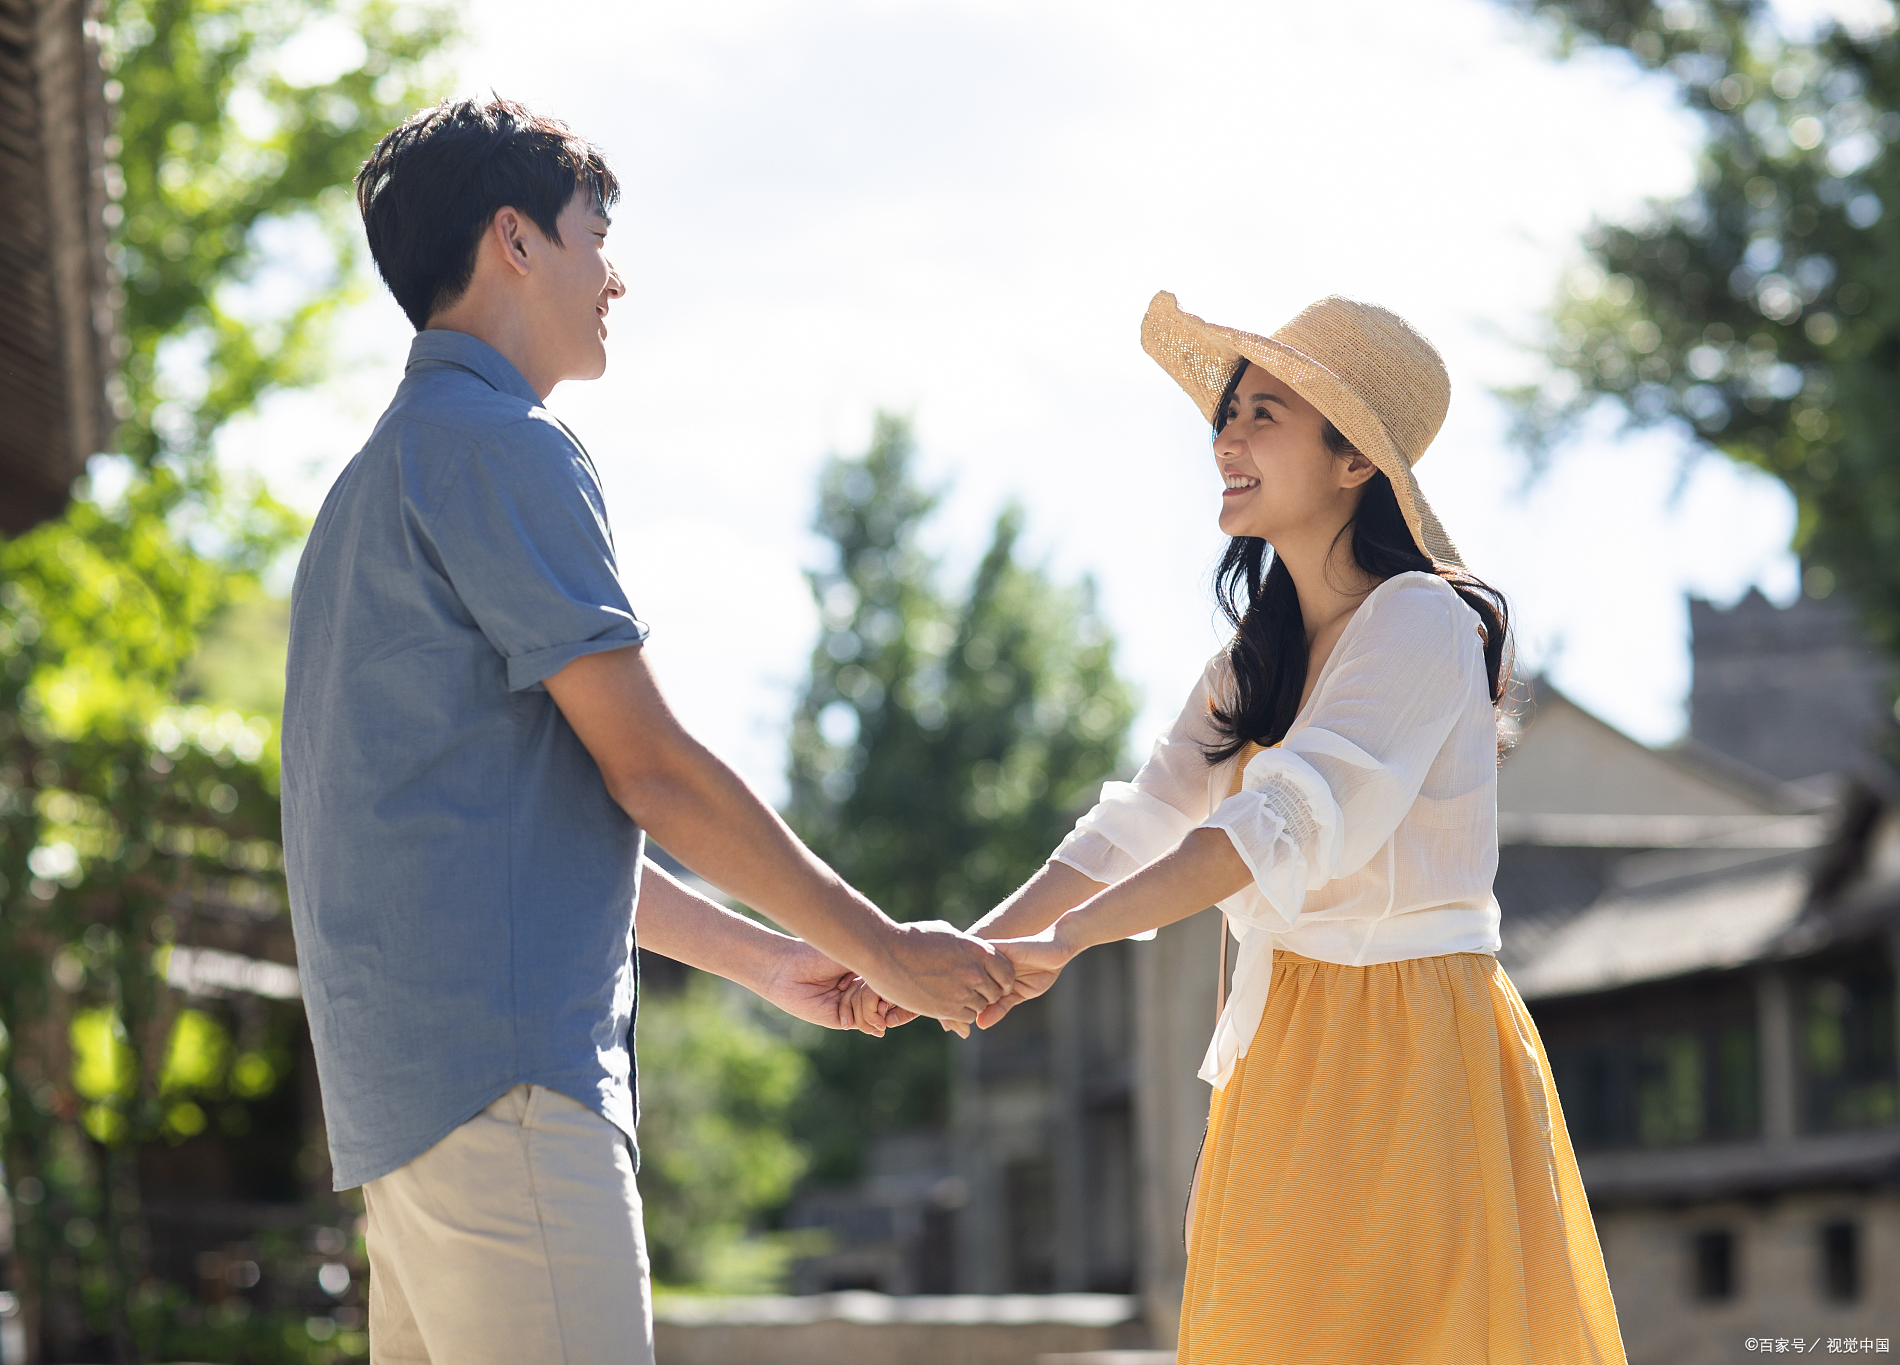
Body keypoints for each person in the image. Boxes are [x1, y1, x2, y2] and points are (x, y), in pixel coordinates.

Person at [280, 97, 1013, 1365]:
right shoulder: (504, 447)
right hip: (510, 1098)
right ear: (514, 239)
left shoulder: (367, 488)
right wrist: (885, 948)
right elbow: (654, 769)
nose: (613, 273)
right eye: (592, 232)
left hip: (412, 1116)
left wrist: (765, 961)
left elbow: (517, 827)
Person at [894, 293, 1628, 1361]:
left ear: (1351, 463)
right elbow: (1145, 816)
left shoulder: (1423, 623)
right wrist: (980, 945)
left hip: (1411, 1041)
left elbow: (1266, 830)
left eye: (1263, 415)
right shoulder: (1254, 657)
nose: (1225, 440)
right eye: (1225, 415)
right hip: (1284, 1041)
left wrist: (1066, 943)